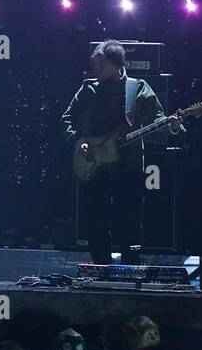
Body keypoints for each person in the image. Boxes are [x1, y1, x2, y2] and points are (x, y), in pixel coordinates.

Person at [63, 39, 180, 265]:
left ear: (116, 64)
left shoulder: (137, 88)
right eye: (94, 65)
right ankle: (100, 266)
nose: (95, 70)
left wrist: (171, 125)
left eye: (100, 65)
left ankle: (130, 268)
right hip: (93, 165)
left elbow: (158, 117)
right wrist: (78, 141)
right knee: (96, 219)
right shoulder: (88, 88)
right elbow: (67, 118)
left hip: (128, 165)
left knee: (130, 220)